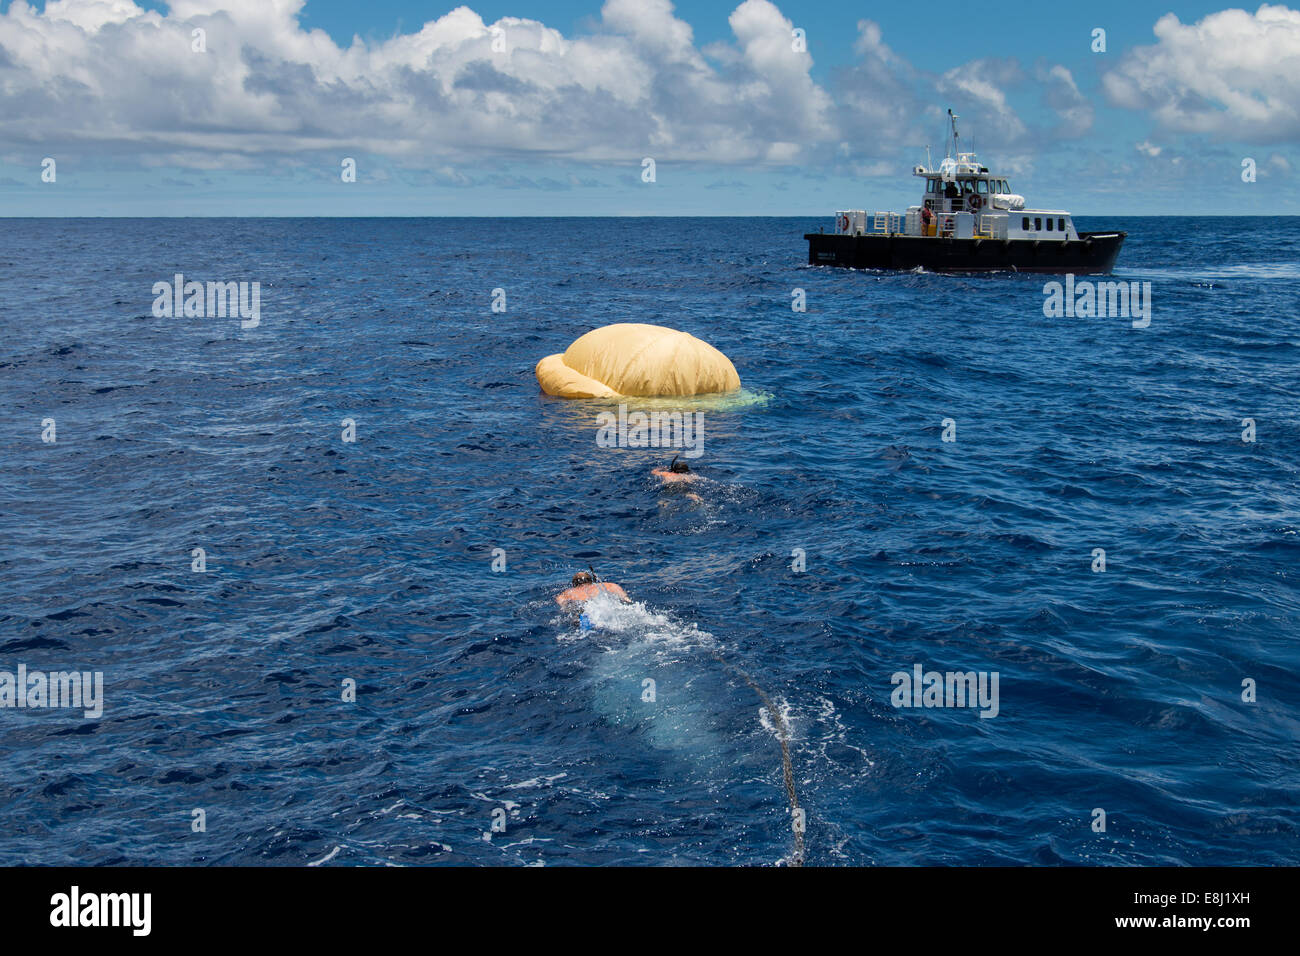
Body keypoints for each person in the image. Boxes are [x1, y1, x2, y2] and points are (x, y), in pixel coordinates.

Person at [555, 570, 630, 607]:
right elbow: (624, 597)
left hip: (584, 607)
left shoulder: (569, 592)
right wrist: (626, 598)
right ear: (591, 581)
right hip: (603, 605)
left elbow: (561, 602)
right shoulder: (608, 585)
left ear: (574, 584)